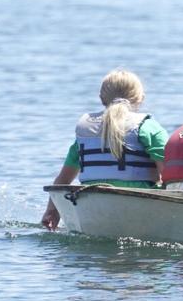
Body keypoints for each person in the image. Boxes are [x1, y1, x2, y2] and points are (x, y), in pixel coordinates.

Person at [42, 69, 167, 231]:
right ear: (141, 98)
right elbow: (169, 176)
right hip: (139, 208)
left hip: (91, 207)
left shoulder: (85, 131)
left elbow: (62, 181)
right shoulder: (148, 126)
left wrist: (51, 211)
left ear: (101, 98)